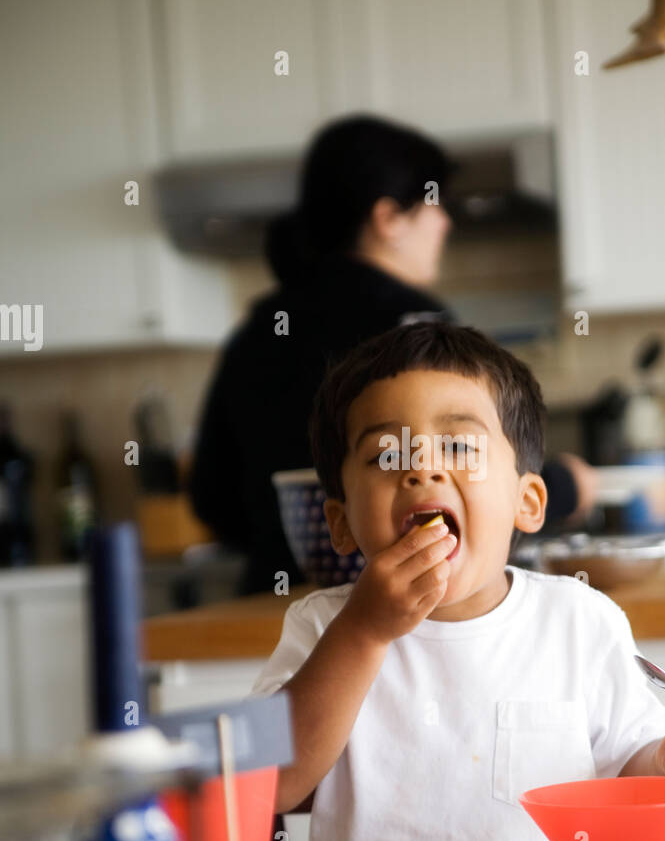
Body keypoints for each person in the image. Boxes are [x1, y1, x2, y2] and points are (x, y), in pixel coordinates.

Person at [251, 321, 665, 841]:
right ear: (340, 522)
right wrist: (364, 632)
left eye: (460, 446)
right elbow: (269, 784)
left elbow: (630, 769)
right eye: (385, 456)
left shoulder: (577, 621)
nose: (422, 468)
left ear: (528, 502)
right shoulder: (322, 628)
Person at [189, 114, 597, 595]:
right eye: (434, 204)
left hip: (269, 609)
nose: (445, 221)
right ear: (388, 219)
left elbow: (211, 498)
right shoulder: (417, 331)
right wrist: (567, 485)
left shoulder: (257, 327)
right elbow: (457, 467)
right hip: (397, 612)